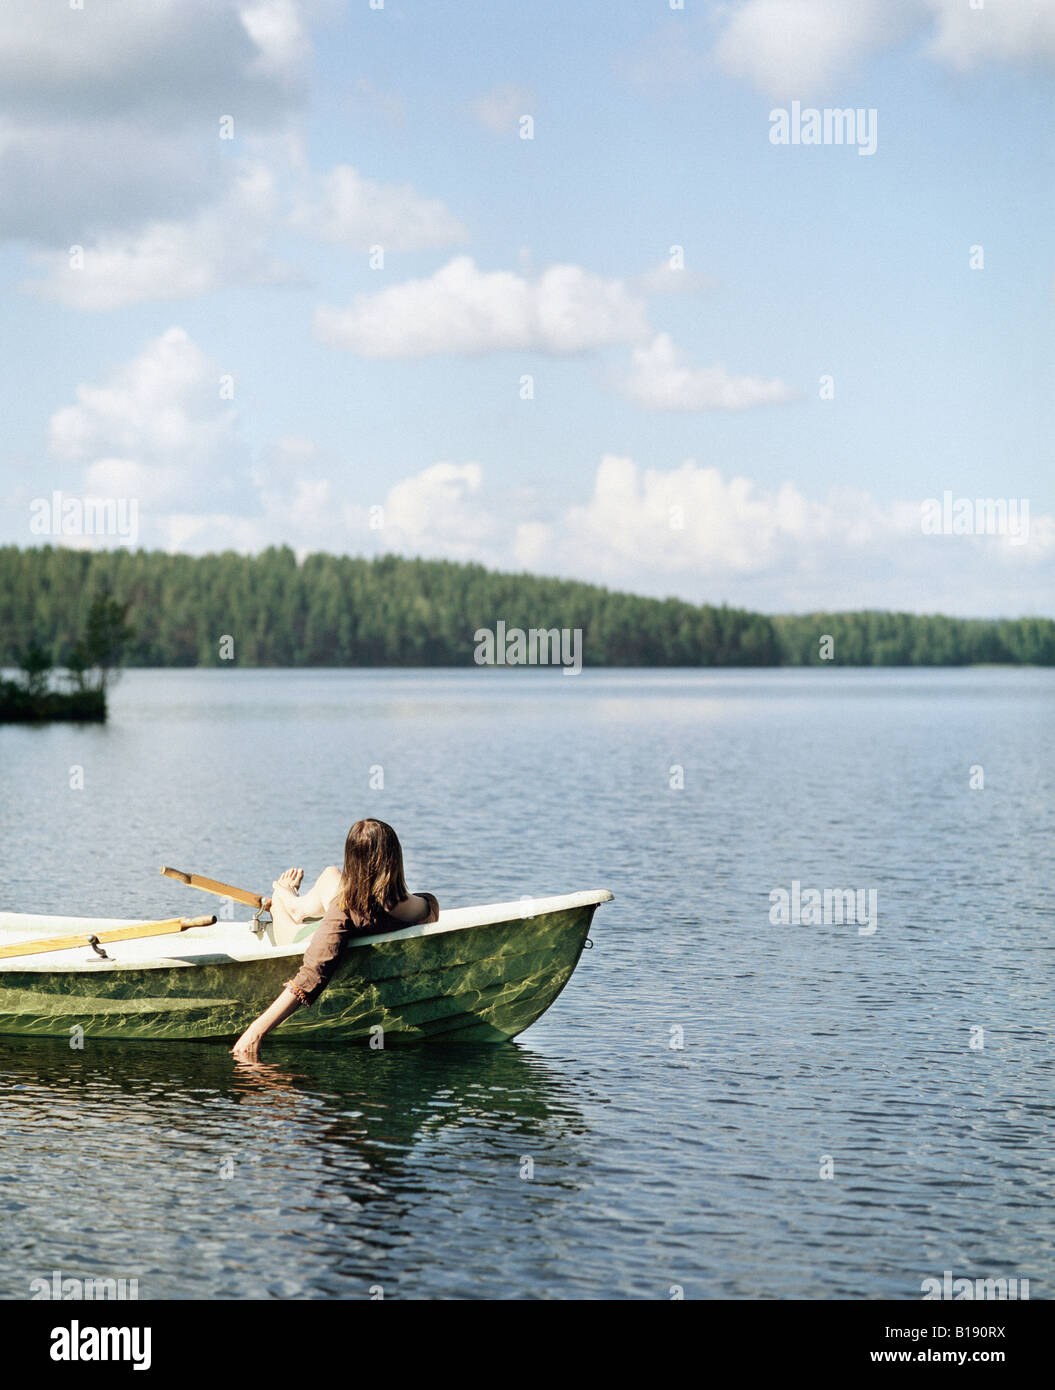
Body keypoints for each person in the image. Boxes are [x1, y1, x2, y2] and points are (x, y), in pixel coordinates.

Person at [231, 819, 438, 1059]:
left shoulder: (345, 911)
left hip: (307, 938)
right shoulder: (427, 905)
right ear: (396, 857)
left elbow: (310, 976)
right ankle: (292, 902)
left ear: (353, 861)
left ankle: (284, 900)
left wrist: (256, 1031)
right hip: (323, 931)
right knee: (330, 876)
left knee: (313, 886)